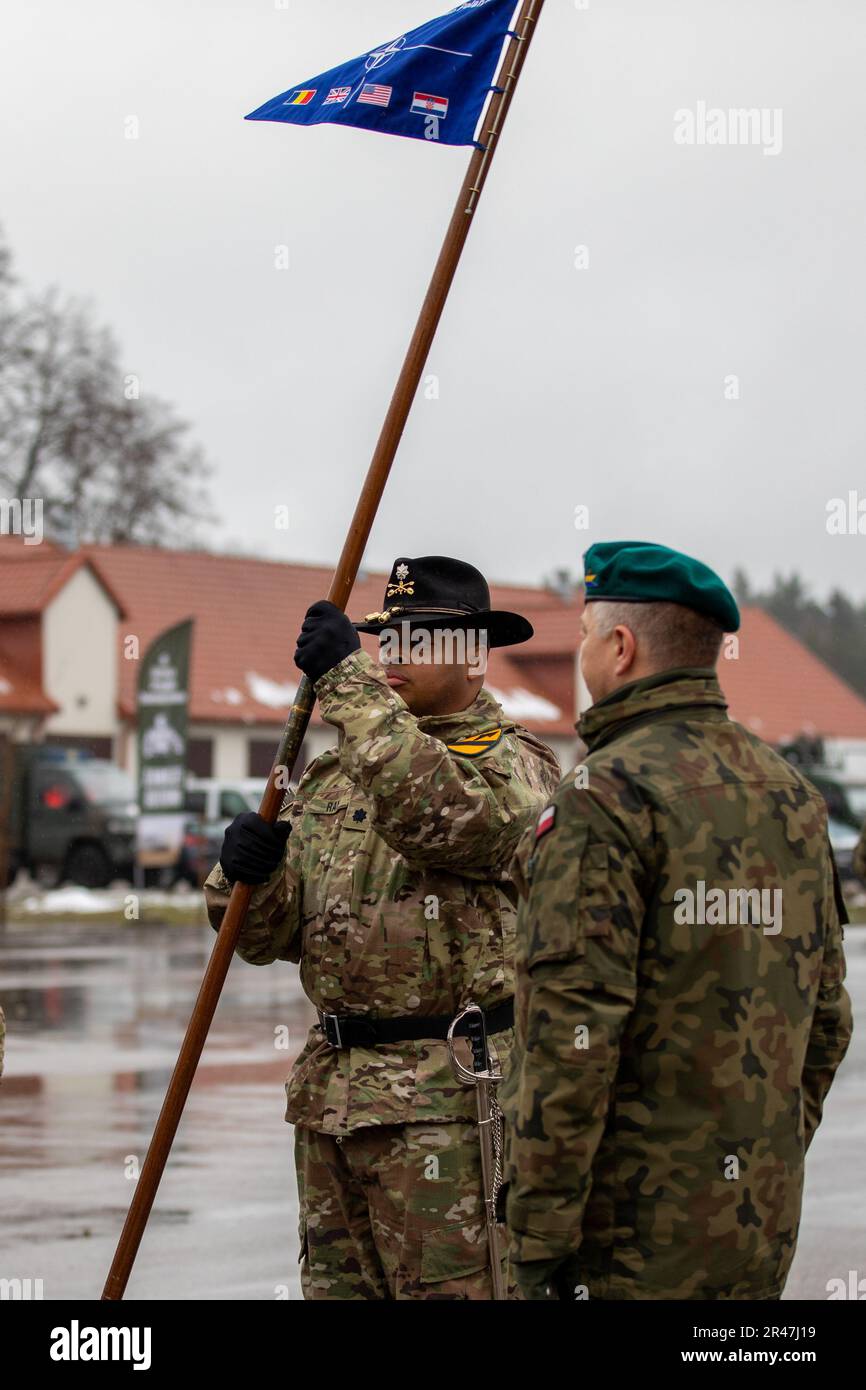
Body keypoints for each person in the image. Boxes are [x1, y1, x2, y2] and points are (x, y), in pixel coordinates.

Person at [502, 540, 853, 1301]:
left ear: (621, 648)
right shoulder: (791, 794)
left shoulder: (604, 796)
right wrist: (765, 1154)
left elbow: (571, 1038)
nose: (586, 653)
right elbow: (826, 1019)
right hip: (756, 1222)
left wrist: (538, 1238)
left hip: (627, 1238)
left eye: (590, 633)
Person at [204, 556, 560, 1300]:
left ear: (473, 657)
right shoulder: (338, 776)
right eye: (387, 640)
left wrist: (348, 683)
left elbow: (445, 820)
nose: (394, 657)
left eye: (419, 641)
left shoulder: (515, 766)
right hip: (334, 1103)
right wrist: (249, 876)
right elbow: (264, 937)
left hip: (447, 1109)